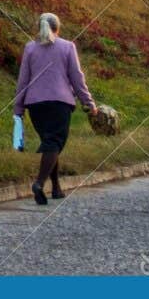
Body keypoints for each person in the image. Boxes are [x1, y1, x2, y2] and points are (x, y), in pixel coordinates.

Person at [12, 11, 97, 205]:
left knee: (51, 144)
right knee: (54, 144)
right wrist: (88, 102)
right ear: (57, 28)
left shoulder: (30, 48)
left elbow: (23, 80)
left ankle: (56, 188)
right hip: (60, 103)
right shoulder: (67, 47)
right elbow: (77, 77)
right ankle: (39, 184)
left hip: (35, 105)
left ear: (39, 28)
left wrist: (18, 108)